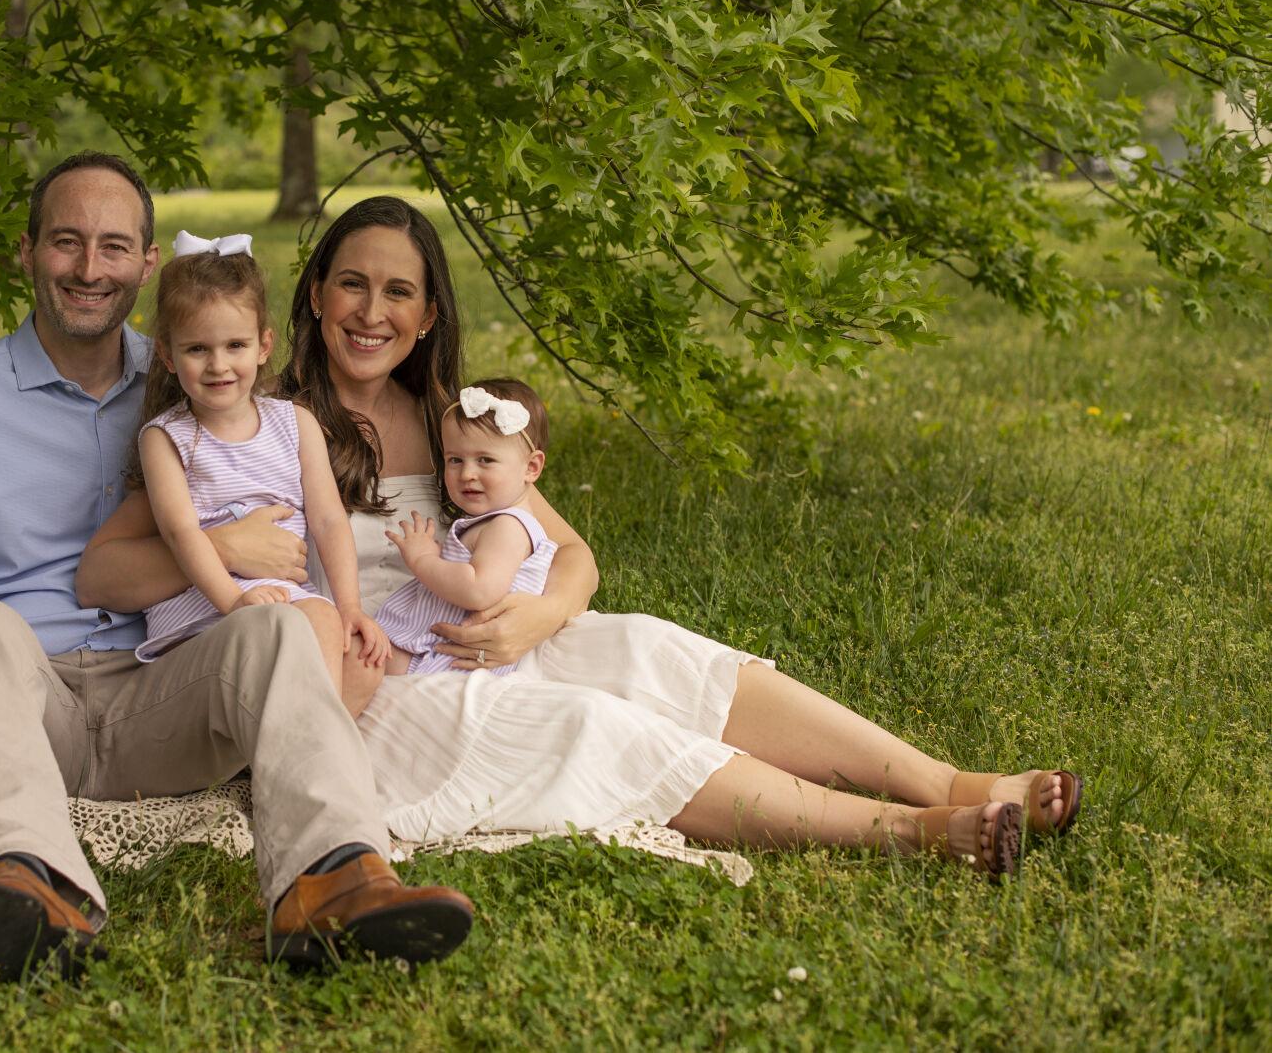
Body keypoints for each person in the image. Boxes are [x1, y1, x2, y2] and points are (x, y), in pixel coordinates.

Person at [79, 194, 1084, 881]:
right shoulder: (253, 418)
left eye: (397, 292)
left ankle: (944, 777)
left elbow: (571, 552)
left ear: (429, 316)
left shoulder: (452, 416)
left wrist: (539, 616)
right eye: (350, 284)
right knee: (592, 728)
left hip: (476, 622)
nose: (371, 310)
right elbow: (106, 568)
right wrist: (237, 549)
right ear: (309, 297)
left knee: (647, 644)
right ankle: (910, 831)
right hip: (367, 674)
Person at [0, 155, 473, 983]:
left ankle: (332, 876)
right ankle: (30, 884)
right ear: (26, 252)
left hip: (165, 693)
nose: (89, 267)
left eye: (113, 246)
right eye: (66, 242)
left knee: (279, 625)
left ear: (148, 265)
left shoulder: (197, 375)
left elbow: (307, 472)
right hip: (15, 699)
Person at [132, 231, 389, 695]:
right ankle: (314, 746)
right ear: (168, 355)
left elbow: (329, 521)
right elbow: (181, 534)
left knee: (362, 659)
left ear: (264, 345)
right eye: (197, 349)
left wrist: (351, 606)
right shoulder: (166, 439)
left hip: (284, 599)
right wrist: (234, 601)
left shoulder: (294, 423)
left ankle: (288, 744)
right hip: (204, 609)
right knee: (314, 621)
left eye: (235, 345)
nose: (218, 365)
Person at [378, 378, 556, 677]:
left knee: (368, 662)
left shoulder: (508, 526)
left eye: (485, 460)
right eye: (455, 460)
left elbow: (479, 590)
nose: (467, 474)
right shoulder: (493, 521)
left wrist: (424, 560)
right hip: (444, 650)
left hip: (454, 662)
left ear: (531, 467)